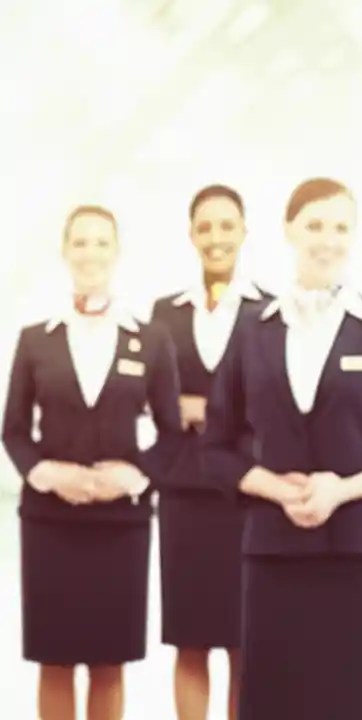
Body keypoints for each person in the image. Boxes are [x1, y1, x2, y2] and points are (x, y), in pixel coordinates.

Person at [200, 178, 362, 719]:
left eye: (340, 227)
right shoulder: (251, 329)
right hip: (274, 554)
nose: (326, 240)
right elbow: (216, 446)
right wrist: (276, 489)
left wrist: (343, 490)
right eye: (314, 225)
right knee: (277, 703)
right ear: (288, 230)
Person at [3, 205, 183, 720]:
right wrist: (46, 474)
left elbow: (172, 433)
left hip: (118, 522)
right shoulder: (36, 338)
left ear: (117, 251)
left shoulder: (150, 338)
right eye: (80, 242)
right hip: (50, 520)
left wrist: (136, 475)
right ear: (64, 251)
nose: (90, 253)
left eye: (101, 242)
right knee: (54, 659)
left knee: (110, 659)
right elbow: (13, 430)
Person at [149, 185, 270, 719]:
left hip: (245, 492)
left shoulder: (271, 312)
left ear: (244, 231)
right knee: (190, 637)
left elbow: (275, 401)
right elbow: (148, 400)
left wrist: (202, 406)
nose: (216, 238)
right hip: (184, 494)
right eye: (205, 227)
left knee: (245, 636)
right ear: (191, 235)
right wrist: (191, 406)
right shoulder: (164, 313)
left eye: (226, 226)